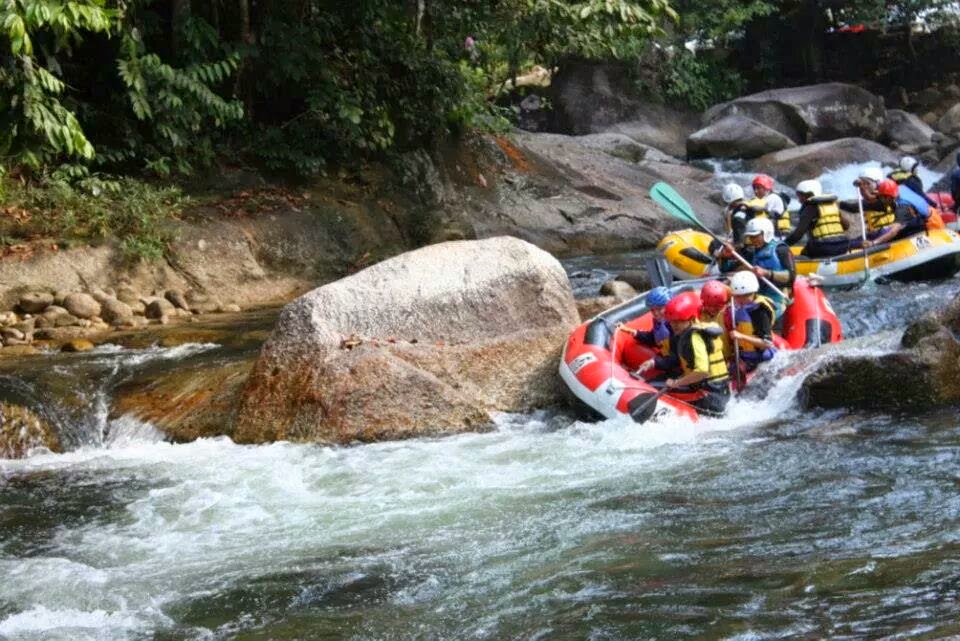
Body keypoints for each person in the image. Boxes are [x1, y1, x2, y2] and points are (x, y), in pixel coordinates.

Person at [661, 291, 731, 416]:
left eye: (679, 321)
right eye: (672, 321)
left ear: (692, 319)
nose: (674, 325)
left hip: (710, 394)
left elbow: (702, 372)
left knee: (659, 389)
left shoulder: (694, 337)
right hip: (720, 389)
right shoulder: (701, 329)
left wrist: (676, 383)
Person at [617, 286, 680, 379]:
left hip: (679, 368)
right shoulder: (661, 323)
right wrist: (633, 332)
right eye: (652, 310)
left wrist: (654, 362)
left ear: (669, 307)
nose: (656, 313)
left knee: (653, 382)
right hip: (669, 359)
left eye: (659, 309)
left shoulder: (677, 328)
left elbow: (676, 358)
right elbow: (654, 338)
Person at [741, 217, 795, 319]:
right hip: (757, 296)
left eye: (756, 236)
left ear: (766, 233)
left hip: (777, 298)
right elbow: (734, 266)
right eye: (751, 237)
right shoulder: (752, 252)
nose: (753, 240)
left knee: (762, 317)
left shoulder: (781, 249)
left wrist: (766, 273)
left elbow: (791, 276)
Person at [784, 179, 850, 257]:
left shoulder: (810, 208)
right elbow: (846, 226)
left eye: (800, 196)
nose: (799, 200)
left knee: (804, 253)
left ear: (808, 194)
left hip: (822, 247)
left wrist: (784, 244)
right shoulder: (833, 205)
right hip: (843, 245)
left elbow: (798, 234)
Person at [728, 271, 777, 374]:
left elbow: (767, 344)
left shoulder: (760, 312)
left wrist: (741, 336)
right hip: (744, 356)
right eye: (737, 296)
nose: (740, 300)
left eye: (745, 296)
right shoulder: (735, 305)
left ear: (754, 292)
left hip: (760, 358)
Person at [860, 179, 927, 248]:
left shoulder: (902, 209)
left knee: (888, 233)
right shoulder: (896, 190)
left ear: (888, 198)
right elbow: (870, 198)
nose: (881, 200)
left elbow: (893, 232)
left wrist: (873, 243)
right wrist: (862, 186)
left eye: (882, 198)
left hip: (921, 227)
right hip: (914, 219)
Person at [699, 279, 732, 360]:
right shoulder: (699, 313)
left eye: (717, 306)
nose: (712, 309)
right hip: (707, 359)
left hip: (728, 358)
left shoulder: (728, 314)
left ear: (724, 303)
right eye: (709, 305)